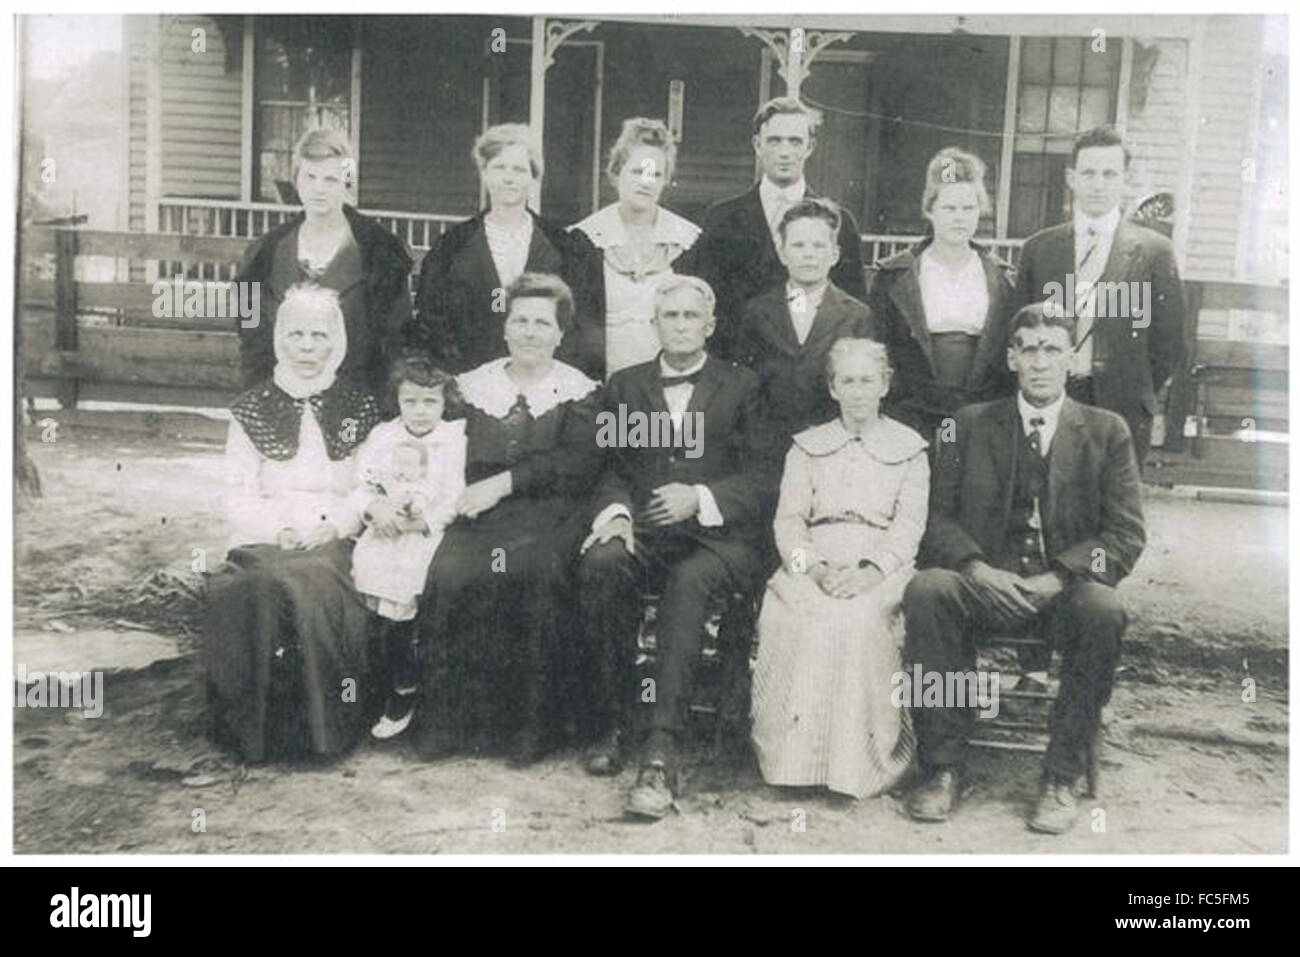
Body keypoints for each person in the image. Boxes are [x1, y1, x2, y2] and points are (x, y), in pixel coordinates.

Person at [902, 302, 1146, 834]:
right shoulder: (965, 425)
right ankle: (941, 767)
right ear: (1011, 358)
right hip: (984, 584)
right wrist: (977, 569)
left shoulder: (1107, 431)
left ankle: (1061, 776)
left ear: (1072, 360)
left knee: (1105, 610)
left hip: (1062, 592)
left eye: (1052, 349)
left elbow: (1124, 537)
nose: (1040, 362)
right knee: (927, 590)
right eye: (1029, 350)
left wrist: (1060, 576)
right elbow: (935, 520)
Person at [576, 275, 778, 820]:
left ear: (710, 325)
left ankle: (661, 748)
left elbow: (764, 476)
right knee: (602, 563)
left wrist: (702, 496)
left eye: (692, 316)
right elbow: (612, 469)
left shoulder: (742, 386)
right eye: (671, 316)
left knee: (690, 584)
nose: (682, 325)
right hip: (645, 531)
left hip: (718, 537)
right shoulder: (625, 386)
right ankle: (616, 722)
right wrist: (617, 516)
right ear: (655, 324)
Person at [411, 272, 602, 765]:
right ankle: (453, 725)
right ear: (505, 326)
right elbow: (440, 449)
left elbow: (576, 465)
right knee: (452, 574)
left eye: (543, 323)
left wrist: (506, 483)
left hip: (551, 513)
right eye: (521, 320)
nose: (531, 332)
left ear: (561, 333)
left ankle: (526, 731)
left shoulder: (579, 391)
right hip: (477, 511)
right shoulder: (472, 386)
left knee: (535, 575)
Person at [204, 285, 382, 761]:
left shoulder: (359, 407)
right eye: (297, 334)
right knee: (258, 586)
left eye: (319, 335)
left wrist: (336, 523)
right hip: (267, 536)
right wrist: (277, 528)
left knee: (313, 586)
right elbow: (236, 493)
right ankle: (256, 734)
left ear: (336, 341)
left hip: (331, 536)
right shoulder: (250, 409)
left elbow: (368, 487)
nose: (307, 347)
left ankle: (320, 734)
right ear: (280, 338)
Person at [751, 338, 928, 799]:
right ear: (832, 388)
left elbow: (909, 526)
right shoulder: (807, 448)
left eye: (867, 380)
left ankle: (854, 766)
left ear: (885, 384)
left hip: (880, 564)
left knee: (858, 620)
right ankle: (795, 764)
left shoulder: (910, 449)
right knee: (798, 616)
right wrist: (814, 568)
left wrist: (872, 570)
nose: (858, 391)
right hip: (813, 560)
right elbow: (788, 522)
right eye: (847, 381)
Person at [1013, 125, 1185, 467]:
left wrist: (1133, 383)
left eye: (1110, 173)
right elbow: (1020, 327)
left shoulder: (1154, 252)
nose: (1098, 183)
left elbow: (1169, 341)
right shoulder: (1039, 249)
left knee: (1114, 510)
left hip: (1122, 404)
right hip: (1049, 397)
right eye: (1089, 172)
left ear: (1124, 180)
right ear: (1071, 178)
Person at [413, 124, 603, 378]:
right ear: (484, 174)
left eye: (519, 169)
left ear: (533, 178)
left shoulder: (565, 247)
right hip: (470, 377)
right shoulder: (452, 247)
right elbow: (433, 324)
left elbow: (580, 326)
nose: (509, 177)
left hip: (546, 381)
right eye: (499, 167)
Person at [236, 128, 414, 399]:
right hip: (281, 396)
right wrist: (260, 394)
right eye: (310, 177)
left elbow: (396, 338)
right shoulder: (263, 253)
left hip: (358, 399)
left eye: (331, 179)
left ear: (347, 183)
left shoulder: (381, 253)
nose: (319, 189)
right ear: (296, 180)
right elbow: (248, 330)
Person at [693, 97, 867, 359]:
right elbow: (707, 304)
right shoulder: (722, 219)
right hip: (741, 370)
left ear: (810, 147)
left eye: (795, 141)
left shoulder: (839, 222)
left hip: (816, 375)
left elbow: (852, 308)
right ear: (757, 145)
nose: (784, 152)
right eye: (774, 140)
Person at [350, 357, 467, 739]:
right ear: (397, 401)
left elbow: (453, 495)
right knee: (368, 578)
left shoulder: (454, 439)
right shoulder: (382, 436)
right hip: (385, 529)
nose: (420, 411)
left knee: (410, 589)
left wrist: (423, 520)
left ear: (444, 402)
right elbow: (363, 483)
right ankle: (379, 680)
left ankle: (408, 684)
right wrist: (376, 509)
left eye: (429, 402)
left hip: (425, 532)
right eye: (410, 401)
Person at [870, 147, 1017, 441]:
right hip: (912, 412)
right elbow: (879, 348)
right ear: (930, 210)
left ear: (980, 211)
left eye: (968, 208)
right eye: (949, 208)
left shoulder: (1001, 278)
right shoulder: (896, 275)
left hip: (981, 414)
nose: (959, 218)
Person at [735, 198, 878, 449]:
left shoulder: (857, 315)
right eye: (798, 245)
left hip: (833, 443)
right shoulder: (757, 312)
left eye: (818, 246)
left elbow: (861, 385)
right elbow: (746, 382)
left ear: (834, 254)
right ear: (782, 253)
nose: (809, 255)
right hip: (767, 444)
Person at [571, 117, 702, 379]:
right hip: (602, 384)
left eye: (656, 174)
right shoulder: (583, 239)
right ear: (617, 172)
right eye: (637, 171)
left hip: (669, 384)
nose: (646, 182)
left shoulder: (687, 240)